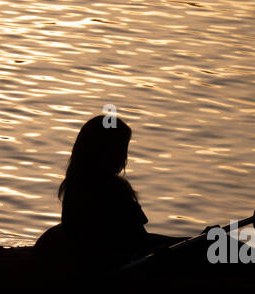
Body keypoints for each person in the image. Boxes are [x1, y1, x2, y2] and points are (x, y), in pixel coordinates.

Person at [35, 115, 175, 273]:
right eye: (121, 149)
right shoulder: (114, 191)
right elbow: (139, 242)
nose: (124, 158)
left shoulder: (74, 185)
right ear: (104, 151)